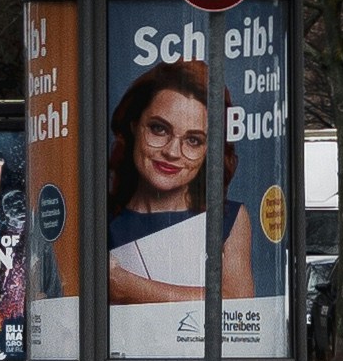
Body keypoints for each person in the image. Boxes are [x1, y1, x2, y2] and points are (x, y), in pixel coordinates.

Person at [105, 62, 255, 329]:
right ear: (133, 124)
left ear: (211, 150)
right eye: (159, 129)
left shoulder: (228, 218)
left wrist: (128, 288)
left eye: (194, 140)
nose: (173, 152)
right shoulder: (100, 216)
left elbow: (238, 310)